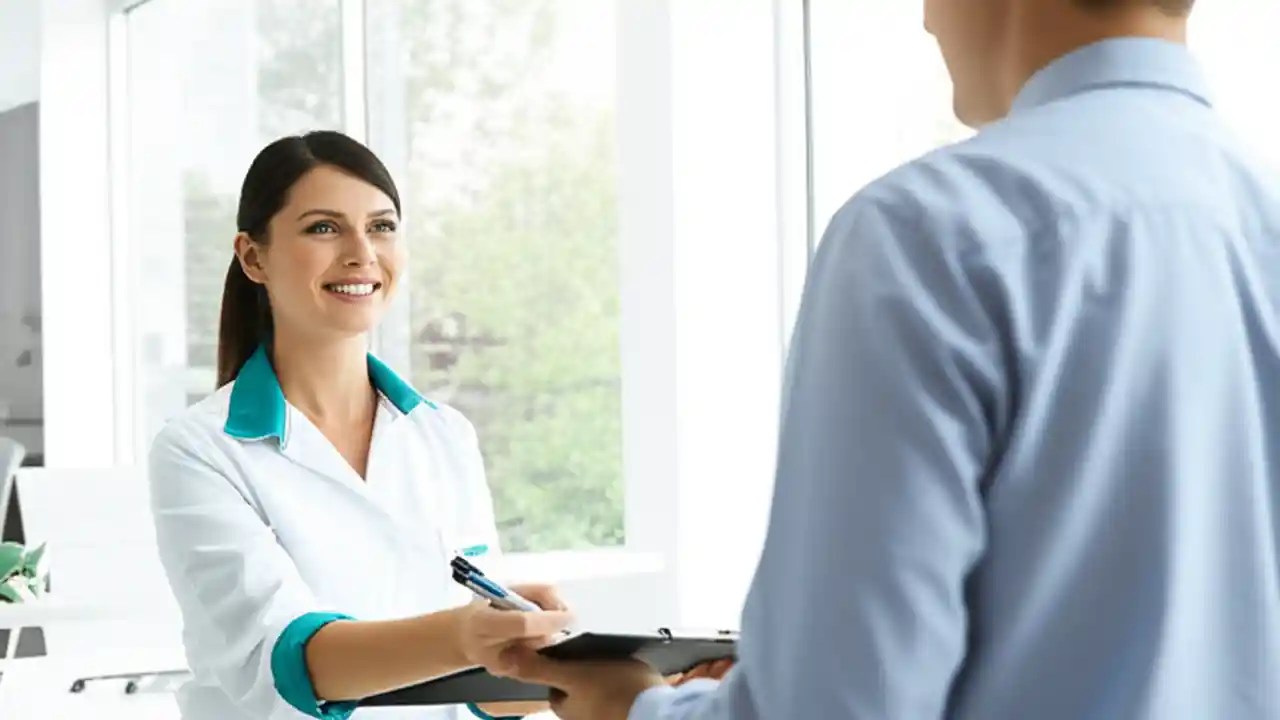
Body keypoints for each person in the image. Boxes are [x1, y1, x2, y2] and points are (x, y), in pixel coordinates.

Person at [498, 0, 1280, 718]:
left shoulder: (932, 232)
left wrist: (631, 709)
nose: (927, 20)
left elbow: (842, 705)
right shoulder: (1255, 217)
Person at [148, 131, 572, 720]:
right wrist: (464, 634)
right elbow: (292, 663)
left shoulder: (445, 435)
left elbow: (479, 694)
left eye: (381, 226)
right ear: (253, 257)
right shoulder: (199, 451)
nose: (361, 253)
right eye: (324, 228)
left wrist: (563, 672)